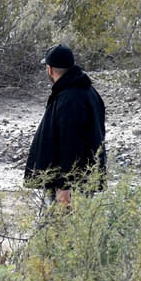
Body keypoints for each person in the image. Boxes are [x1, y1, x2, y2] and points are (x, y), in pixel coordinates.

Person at [24, 43, 106, 208]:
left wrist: (64, 185)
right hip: (83, 178)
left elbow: (71, 144)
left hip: (71, 184)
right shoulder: (86, 91)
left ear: (50, 70)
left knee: (60, 226)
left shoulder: (70, 98)